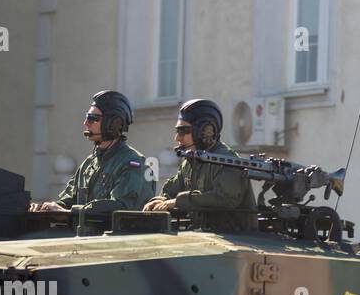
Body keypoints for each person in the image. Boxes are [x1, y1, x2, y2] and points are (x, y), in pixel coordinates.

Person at [144, 98, 258, 233]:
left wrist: (177, 201)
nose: (177, 138)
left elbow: (225, 198)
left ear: (205, 131)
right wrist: (159, 201)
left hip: (238, 242)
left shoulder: (227, 162)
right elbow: (171, 190)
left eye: (182, 131)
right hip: (203, 238)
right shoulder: (190, 161)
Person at [30, 90, 153, 215]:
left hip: (111, 234)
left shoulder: (133, 163)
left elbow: (120, 208)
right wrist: (51, 207)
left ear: (113, 124)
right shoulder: (88, 164)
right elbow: (69, 200)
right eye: (87, 117)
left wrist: (69, 212)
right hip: (84, 233)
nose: (86, 123)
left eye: (92, 118)